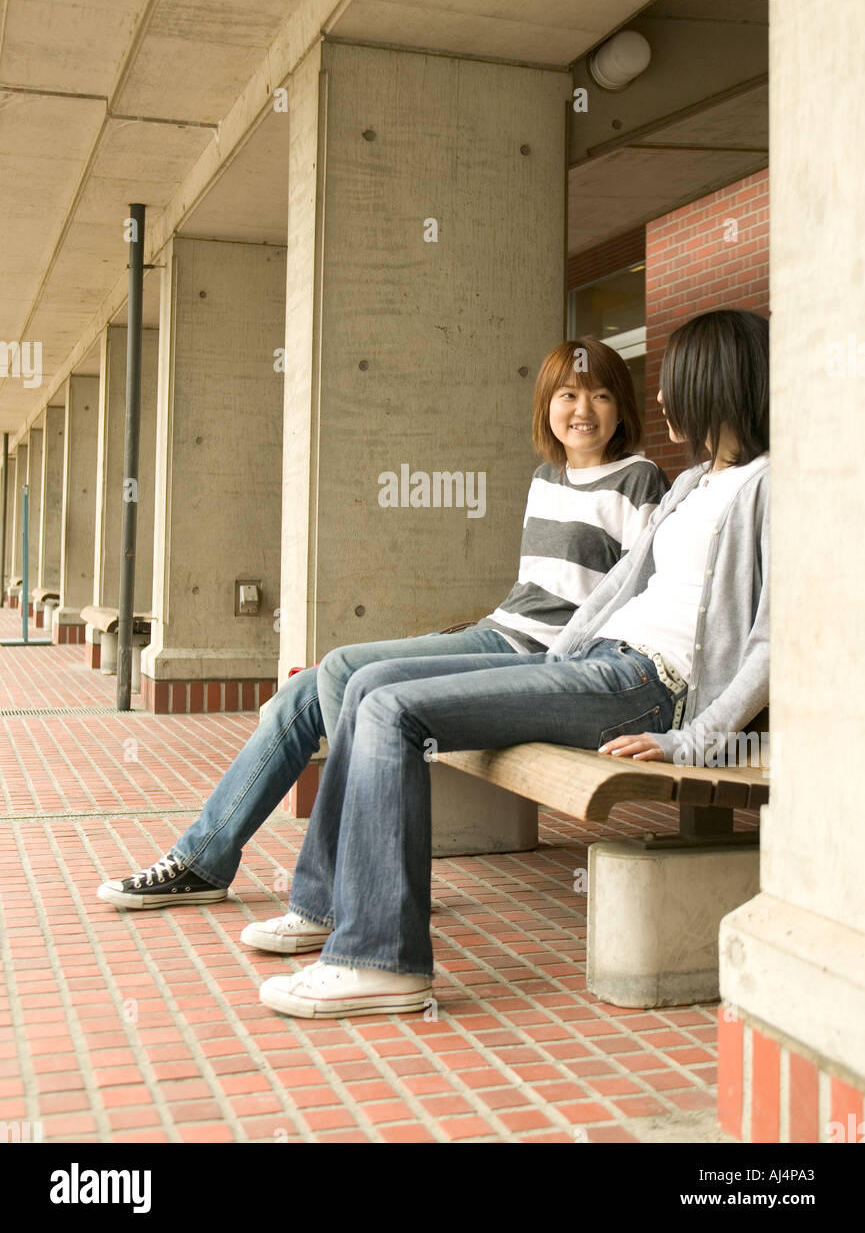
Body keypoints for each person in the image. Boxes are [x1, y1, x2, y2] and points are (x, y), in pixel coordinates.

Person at [255, 307, 770, 1019]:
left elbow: (771, 643)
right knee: (367, 681)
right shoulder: (690, 485)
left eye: (670, 380)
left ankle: (380, 960)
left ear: (713, 382)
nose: (658, 398)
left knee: (391, 709)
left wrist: (695, 740)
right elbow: (617, 591)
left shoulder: (770, 487)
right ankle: (325, 903)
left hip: (654, 686)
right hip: (595, 665)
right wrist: (551, 664)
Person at [97, 338, 667, 942]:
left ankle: (365, 885)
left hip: (537, 657)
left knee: (341, 668)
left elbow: (638, 593)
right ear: (546, 406)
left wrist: (568, 663)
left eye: (601, 395)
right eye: (568, 395)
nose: (584, 410)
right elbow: (536, 585)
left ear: (622, 406)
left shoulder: (639, 480)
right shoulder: (547, 477)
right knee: (306, 695)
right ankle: (203, 859)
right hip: (496, 632)